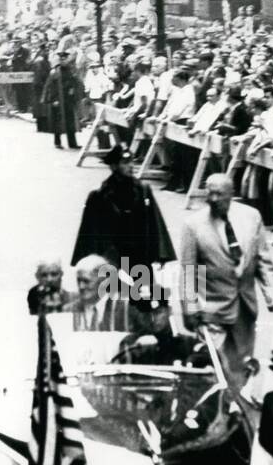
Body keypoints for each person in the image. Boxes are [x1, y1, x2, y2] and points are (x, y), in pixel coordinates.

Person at [180, 173, 273, 384]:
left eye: (219, 194)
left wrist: (271, 293)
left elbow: (262, 258)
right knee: (214, 369)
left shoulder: (252, 217)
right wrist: (190, 309)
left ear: (231, 195)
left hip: (245, 307)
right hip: (211, 311)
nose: (213, 199)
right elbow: (188, 270)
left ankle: (237, 410)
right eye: (210, 193)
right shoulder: (193, 225)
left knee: (242, 369)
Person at [71, 143, 176, 273]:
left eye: (131, 161)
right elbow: (89, 232)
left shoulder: (142, 191)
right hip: (111, 258)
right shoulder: (99, 195)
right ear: (114, 166)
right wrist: (90, 260)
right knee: (113, 291)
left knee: (139, 291)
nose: (131, 166)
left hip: (139, 257)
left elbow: (155, 223)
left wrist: (161, 255)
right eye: (125, 162)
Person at [112, 290, 204, 366]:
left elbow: (206, 356)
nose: (152, 319)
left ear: (169, 311)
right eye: (148, 313)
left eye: (158, 312)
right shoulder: (133, 342)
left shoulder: (186, 343)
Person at [66, 254, 130, 331]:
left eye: (86, 281)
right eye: (78, 281)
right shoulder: (70, 310)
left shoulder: (125, 306)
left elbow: (144, 336)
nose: (81, 286)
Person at [44, 48, 84, 149]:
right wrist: (53, 99)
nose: (63, 61)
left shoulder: (70, 70)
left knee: (70, 122)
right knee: (57, 122)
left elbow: (76, 82)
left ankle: (72, 143)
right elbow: (50, 87)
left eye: (65, 59)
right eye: (61, 59)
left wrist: (73, 90)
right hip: (58, 100)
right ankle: (57, 142)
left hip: (68, 100)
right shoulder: (55, 72)